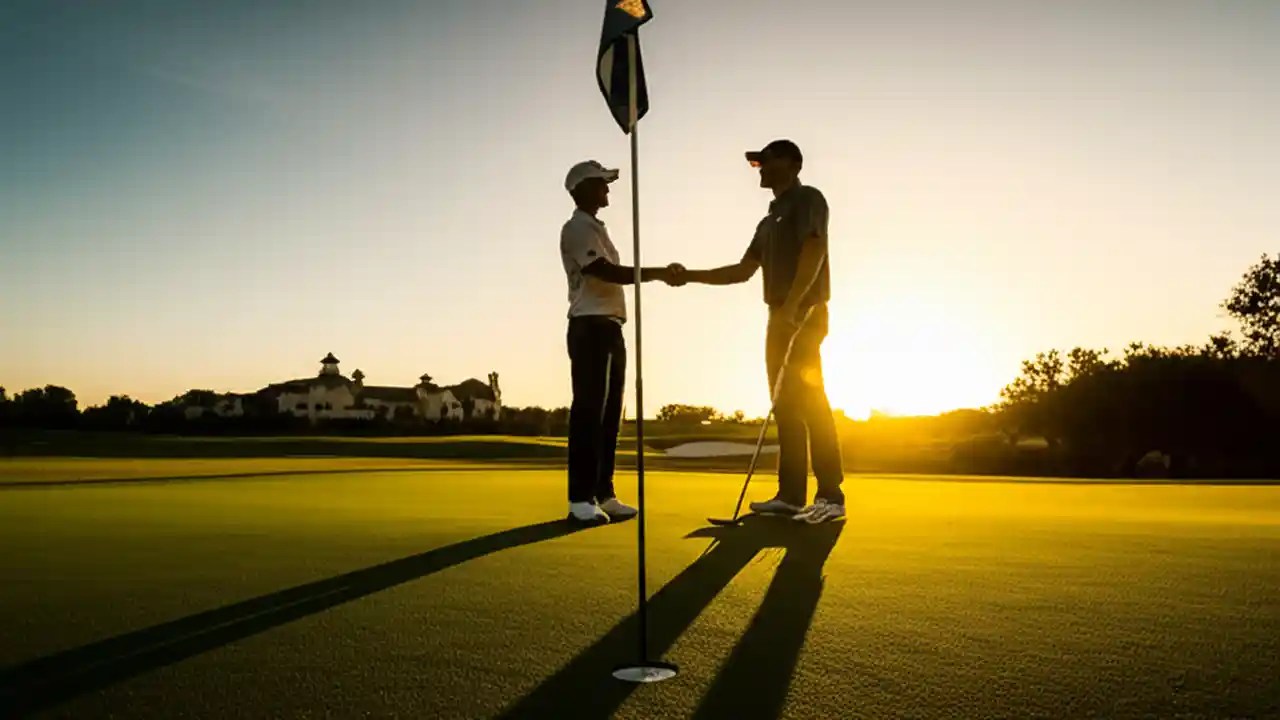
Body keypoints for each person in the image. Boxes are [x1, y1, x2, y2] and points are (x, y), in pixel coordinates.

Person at [669, 140, 846, 523]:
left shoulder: (808, 199)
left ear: (792, 163)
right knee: (784, 405)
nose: (760, 167)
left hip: (805, 312)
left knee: (812, 402)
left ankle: (831, 496)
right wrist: (689, 278)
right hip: (777, 316)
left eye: (766, 160)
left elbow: (815, 250)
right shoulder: (767, 222)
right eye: (757, 162)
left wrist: (794, 305)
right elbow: (741, 271)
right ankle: (791, 496)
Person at [559, 160, 682, 525]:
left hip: (610, 328)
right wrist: (658, 273)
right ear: (582, 189)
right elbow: (603, 271)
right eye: (601, 185)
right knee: (589, 413)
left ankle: (603, 493)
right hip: (591, 327)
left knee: (611, 415)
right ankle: (581, 499)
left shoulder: (596, 228)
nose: (608, 190)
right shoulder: (577, 228)